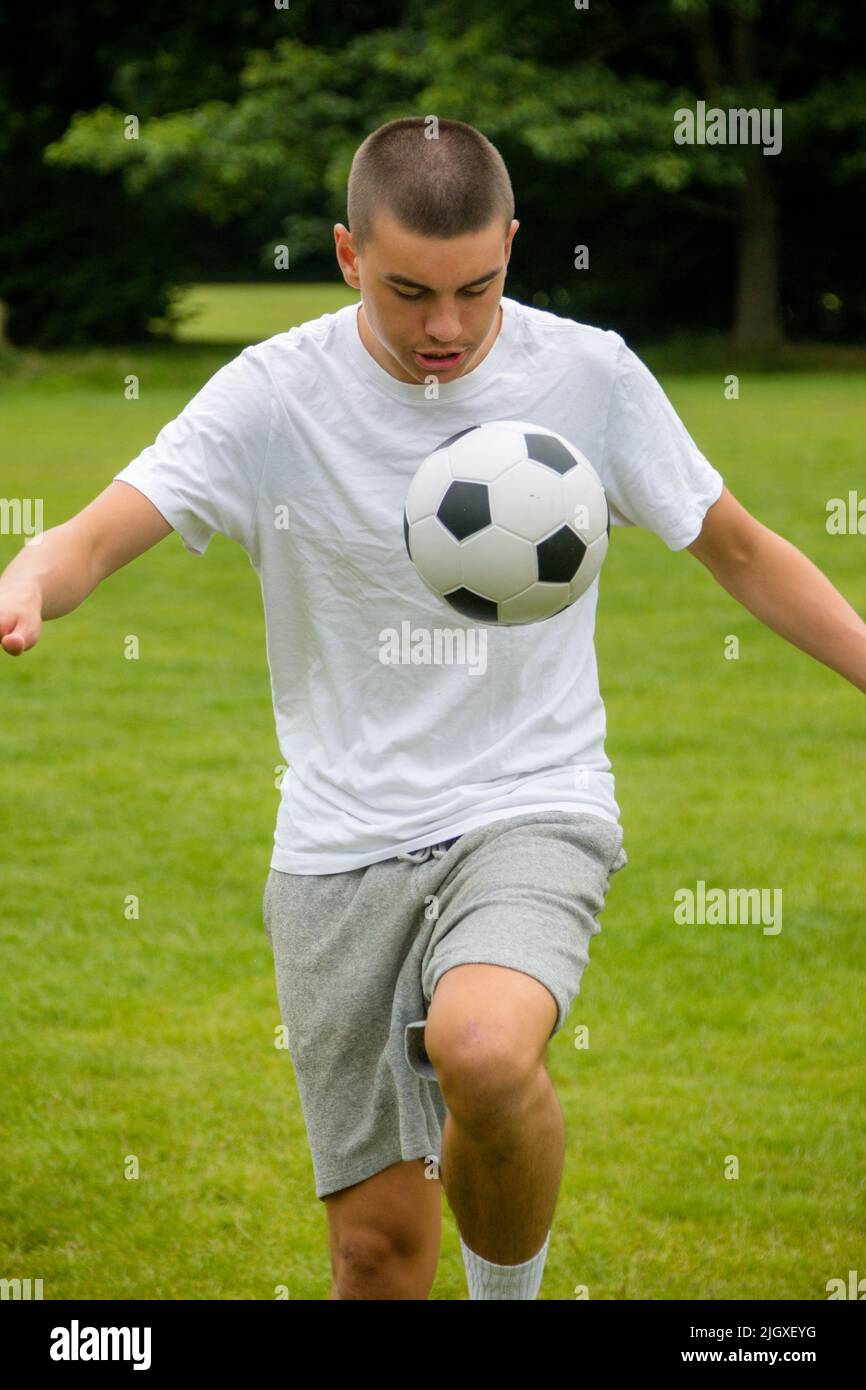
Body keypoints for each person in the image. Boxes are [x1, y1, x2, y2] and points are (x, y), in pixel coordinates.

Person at [3, 117, 864, 1302]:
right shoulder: (271, 396)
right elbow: (94, 535)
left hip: (531, 798)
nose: (446, 328)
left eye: (478, 287)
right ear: (350, 256)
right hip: (337, 842)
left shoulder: (588, 374)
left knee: (481, 1045)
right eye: (410, 292)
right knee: (375, 1258)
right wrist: (26, 583)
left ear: (512, 246)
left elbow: (737, 547)